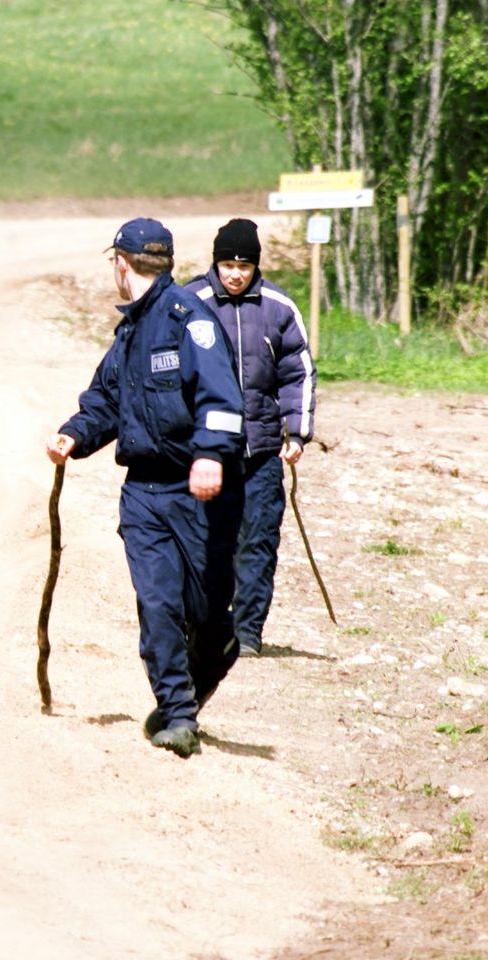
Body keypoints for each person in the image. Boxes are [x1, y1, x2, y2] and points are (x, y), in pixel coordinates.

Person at [44, 218, 245, 758]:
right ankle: (178, 714)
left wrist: (209, 456)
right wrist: (74, 434)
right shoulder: (130, 331)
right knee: (157, 604)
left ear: (120, 263)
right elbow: (106, 401)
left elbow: (222, 400)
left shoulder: (189, 320)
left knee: (206, 612)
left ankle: (208, 662)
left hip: (198, 490)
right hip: (145, 495)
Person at [183, 219, 316, 656]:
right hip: (206, 452)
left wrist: (296, 433)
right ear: (215, 263)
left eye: (243, 265)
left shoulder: (279, 307)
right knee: (204, 541)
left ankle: (247, 634)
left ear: (255, 265)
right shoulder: (188, 302)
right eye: (227, 264)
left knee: (257, 540)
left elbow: (298, 372)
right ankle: (202, 627)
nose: (235, 274)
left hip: (261, 451)